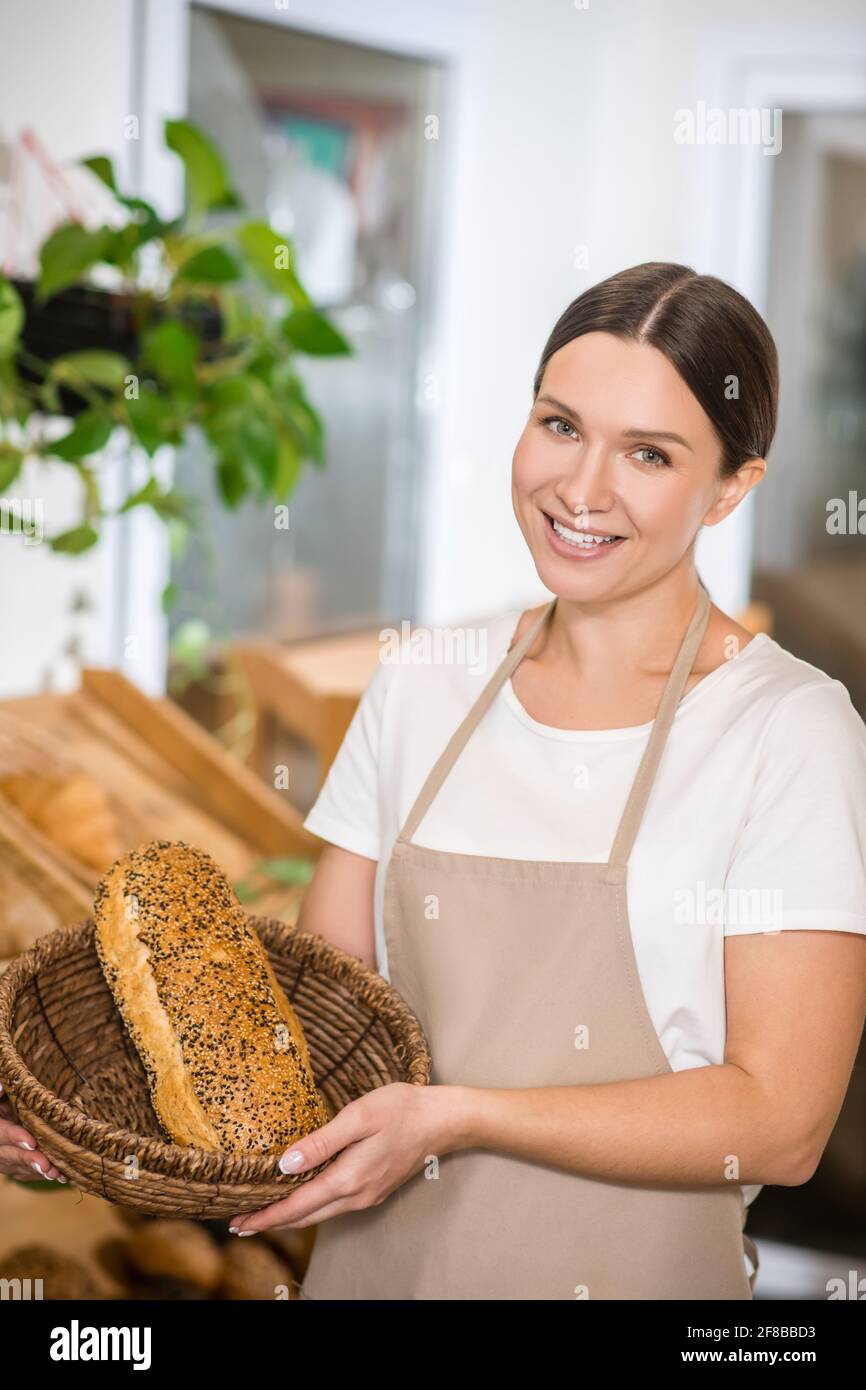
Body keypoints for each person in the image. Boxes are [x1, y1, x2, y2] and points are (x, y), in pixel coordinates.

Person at [219, 261, 866, 1300]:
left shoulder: (784, 731)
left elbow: (779, 1124)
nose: (580, 489)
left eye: (647, 453)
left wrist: (465, 1113)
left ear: (730, 487)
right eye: (559, 425)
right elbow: (318, 1026)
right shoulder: (422, 681)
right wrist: (85, 1128)